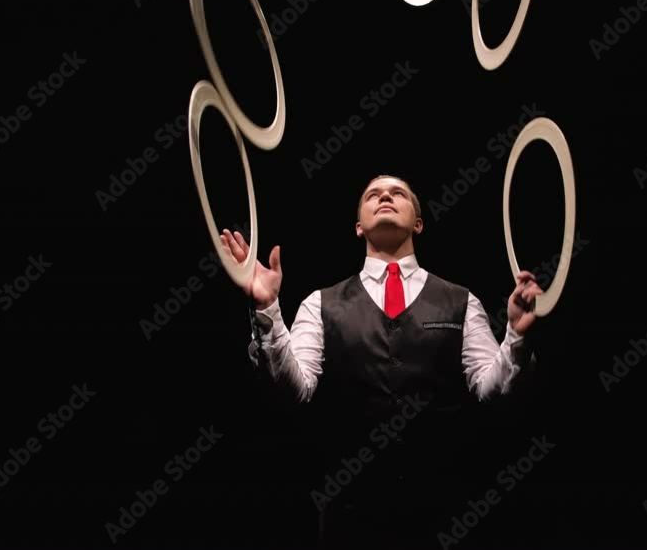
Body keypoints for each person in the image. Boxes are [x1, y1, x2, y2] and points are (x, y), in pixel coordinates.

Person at [219, 174, 544, 549]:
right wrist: (266, 308)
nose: (385, 196)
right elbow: (294, 390)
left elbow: (494, 391)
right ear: (359, 227)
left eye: (398, 193)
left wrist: (517, 335)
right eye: (373, 194)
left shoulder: (462, 301)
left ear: (418, 223)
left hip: (445, 509)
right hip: (351, 514)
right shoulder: (320, 303)